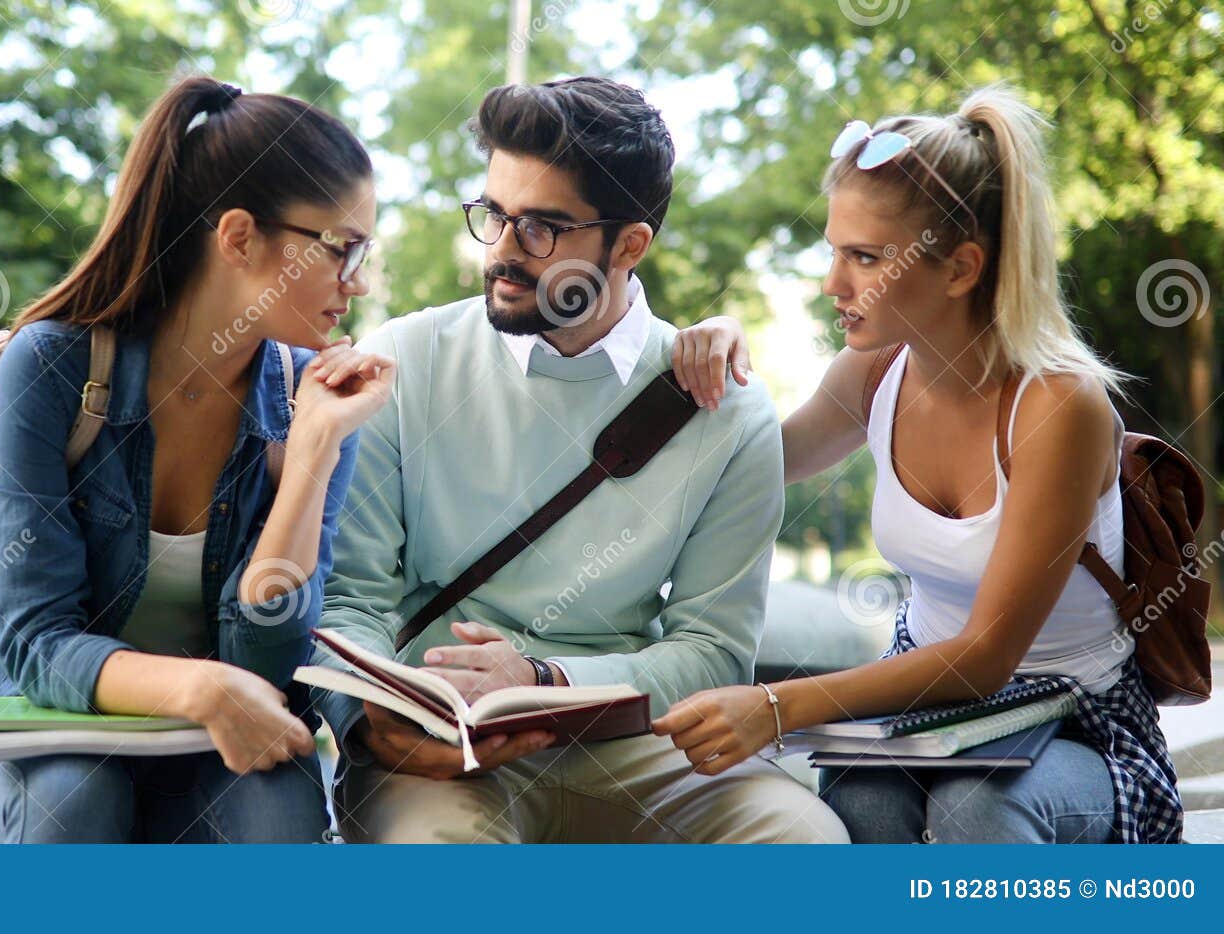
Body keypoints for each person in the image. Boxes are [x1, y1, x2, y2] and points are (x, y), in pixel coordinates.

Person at [308, 76, 849, 844]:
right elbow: (350, 602)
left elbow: (714, 652)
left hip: (634, 743)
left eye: (542, 228)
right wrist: (367, 722)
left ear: (629, 245)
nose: (502, 250)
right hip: (444, 747)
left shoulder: (729, 411)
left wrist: (543, 681)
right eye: (494, 214)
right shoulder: (404, 362)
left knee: (804, 844)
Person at [662, 85, 1181, 843]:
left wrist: (774, 707)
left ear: (961, 268)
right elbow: (747, 465)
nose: (833, 284)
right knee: (864, 801)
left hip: (1074, 716)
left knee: (978, 806)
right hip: (929, 710)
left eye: (865, 257)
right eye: (834, 251)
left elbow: (986, 659)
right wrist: (717, 344)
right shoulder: (873, 373)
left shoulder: (1058, 406)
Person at [0, 75, 395, 843]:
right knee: (73, 805)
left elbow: (269, 664)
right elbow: (37, 641)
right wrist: (199, 688)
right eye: (342, 248)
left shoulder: (315, 398)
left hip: (213, 747)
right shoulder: (51, 365)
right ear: (239, 238)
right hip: (61, 727)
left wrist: (315, 451)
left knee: (277, 823)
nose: (357, 282)